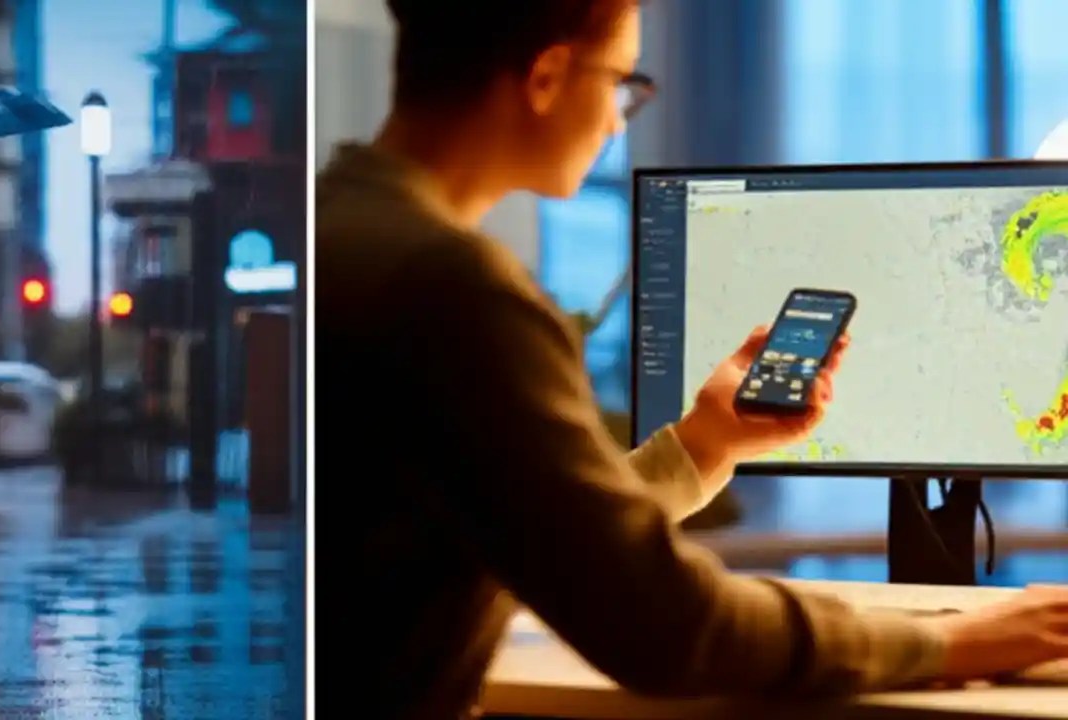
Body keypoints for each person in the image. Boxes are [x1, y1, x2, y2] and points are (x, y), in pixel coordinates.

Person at [316, 1, 1068, 717]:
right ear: (545, 77)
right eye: (620, 81)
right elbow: (662, 623)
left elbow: (551, 540)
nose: (617, 117)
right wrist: (948, 642)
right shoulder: (451, 288)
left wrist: (705, 445)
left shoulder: (332, 231)